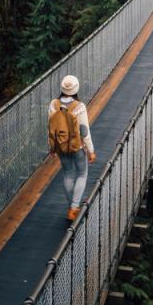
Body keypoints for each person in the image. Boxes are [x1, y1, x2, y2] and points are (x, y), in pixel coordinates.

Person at [48, 75, 96, 221]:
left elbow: (50, 128)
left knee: (68, 174)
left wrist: (52, 147)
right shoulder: (79, 107)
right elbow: (84, 131)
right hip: (77, 147)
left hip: (61, 147)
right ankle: (74, 207)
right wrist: (91, 151)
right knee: (82, 174)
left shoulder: (53, 105)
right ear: (76, 89)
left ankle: (71, 207)